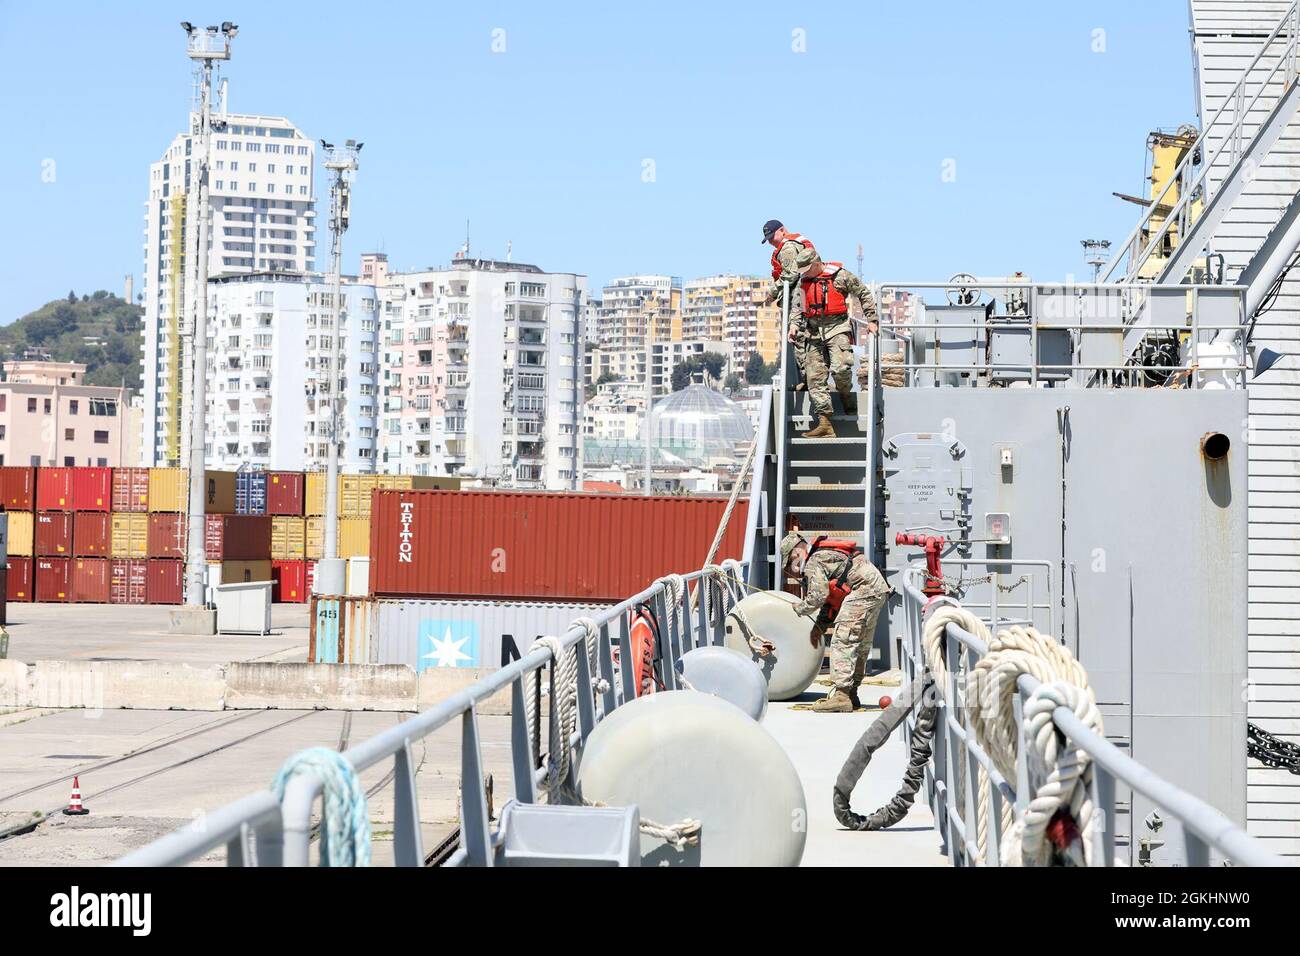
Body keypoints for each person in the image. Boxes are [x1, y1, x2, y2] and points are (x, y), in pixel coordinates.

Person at [780, 531, 889, 713]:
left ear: (796, 553)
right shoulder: (823, 556)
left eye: (790, 565)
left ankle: (842, 696)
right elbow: (832, 598)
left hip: (863, 590)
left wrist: (799, 608)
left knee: (842, 640)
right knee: (860, 643)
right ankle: (851, 694)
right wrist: (819, 627)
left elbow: (818, 597)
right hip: (876, 589)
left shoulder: (814, 561)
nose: (794, 571)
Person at [794, 248, 879, 438]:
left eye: (807, 269)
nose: (805, 273)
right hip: (813, 332)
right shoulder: (803, 281)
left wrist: (872, 320)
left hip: (837, 328)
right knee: (815, 377)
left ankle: (846, 396)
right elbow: (797, 306)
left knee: (841, 368)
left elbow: (863, 293)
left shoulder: (840, 276)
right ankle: (825, 424)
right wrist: (793, 326)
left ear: (816, 264)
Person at [760, 220, 815, 389]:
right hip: (802, 298)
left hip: (799, 299)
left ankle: (809, 381)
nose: (770, 241)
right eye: (767, 238)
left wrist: (772, 293)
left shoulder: (788, 248)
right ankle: (810, 379)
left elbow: (790, 276)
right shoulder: (792, 244)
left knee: (798, 337)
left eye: (772, 236)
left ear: (782, 230)